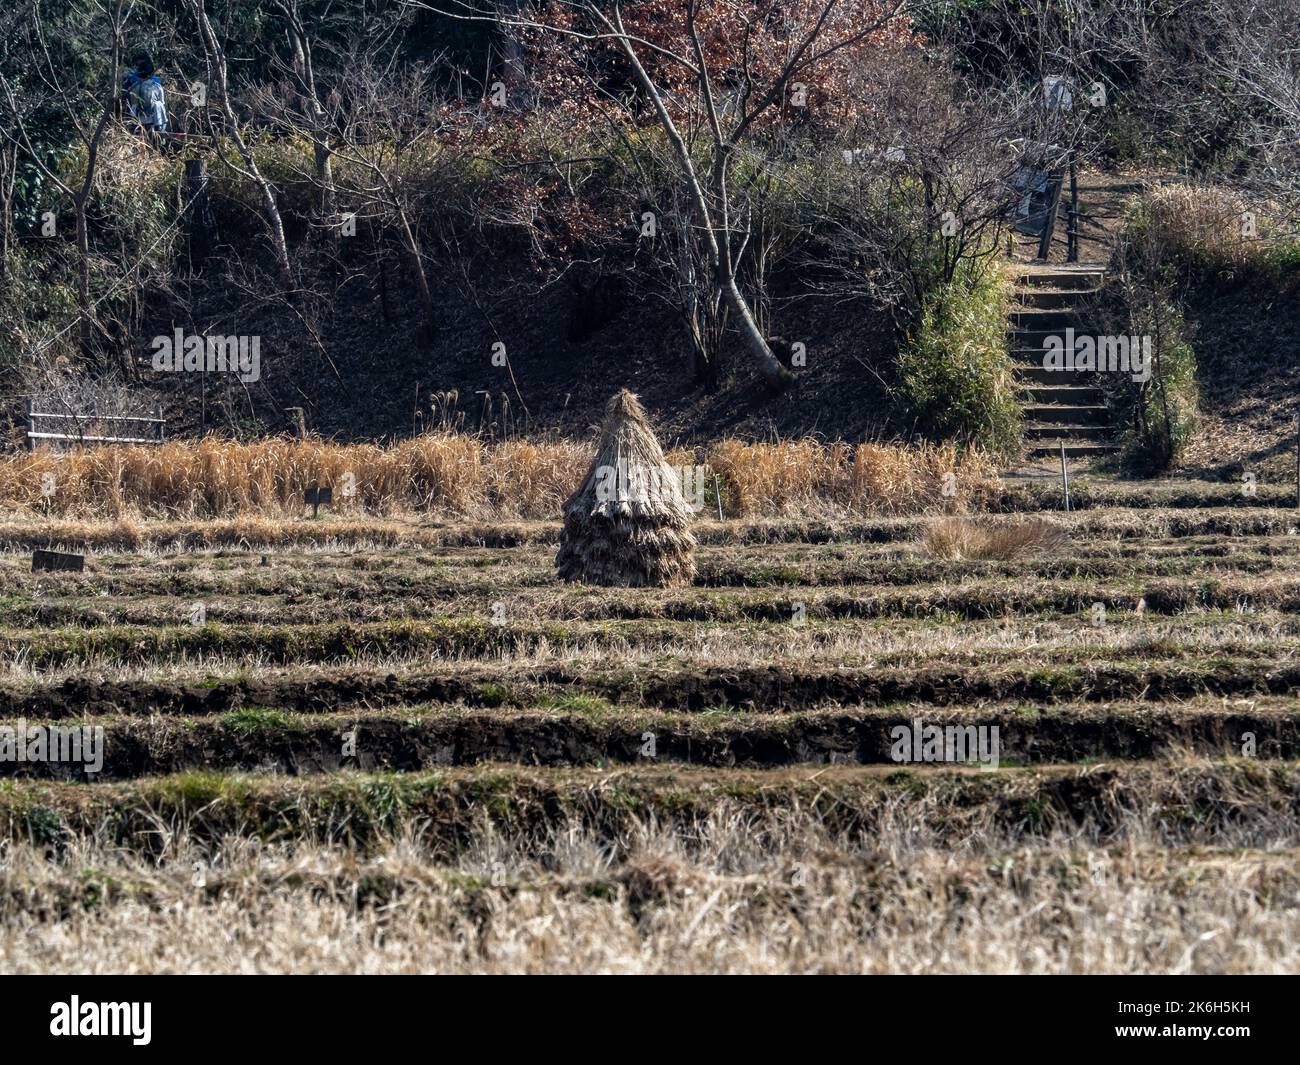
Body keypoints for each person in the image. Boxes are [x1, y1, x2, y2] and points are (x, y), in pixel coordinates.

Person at [122, 52, 169, 142]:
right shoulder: (156, 84)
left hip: (136, 120)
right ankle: (161, 132)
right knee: (159, 104)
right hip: (153, 121)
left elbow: (131, 102)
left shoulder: (133, 84)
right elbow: (162, 102)